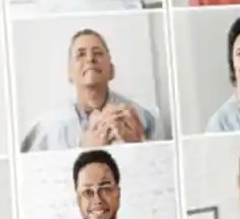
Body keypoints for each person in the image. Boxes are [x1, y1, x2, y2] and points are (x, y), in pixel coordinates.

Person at [21, 29, 159, 152]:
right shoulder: (46, 128)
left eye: (98, 53)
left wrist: (138, 146)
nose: (90, 59)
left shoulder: (143, 117)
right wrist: (81, 150)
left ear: (112, 70)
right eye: (80, 55)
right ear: (69, 73)